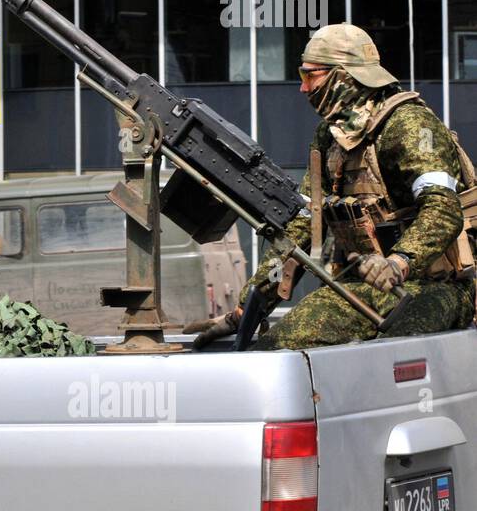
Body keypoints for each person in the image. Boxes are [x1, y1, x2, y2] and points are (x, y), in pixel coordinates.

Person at [191, 23, 475, 350]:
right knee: (282, 342)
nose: (303, 88)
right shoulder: (330, 138)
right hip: (361, 289)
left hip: (436, 285)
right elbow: (303, 226)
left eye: (310, 76)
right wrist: (249, 306)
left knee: (397, 348)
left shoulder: (408, 124)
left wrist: (398, 264)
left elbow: (443, 208)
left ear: (343, 77)